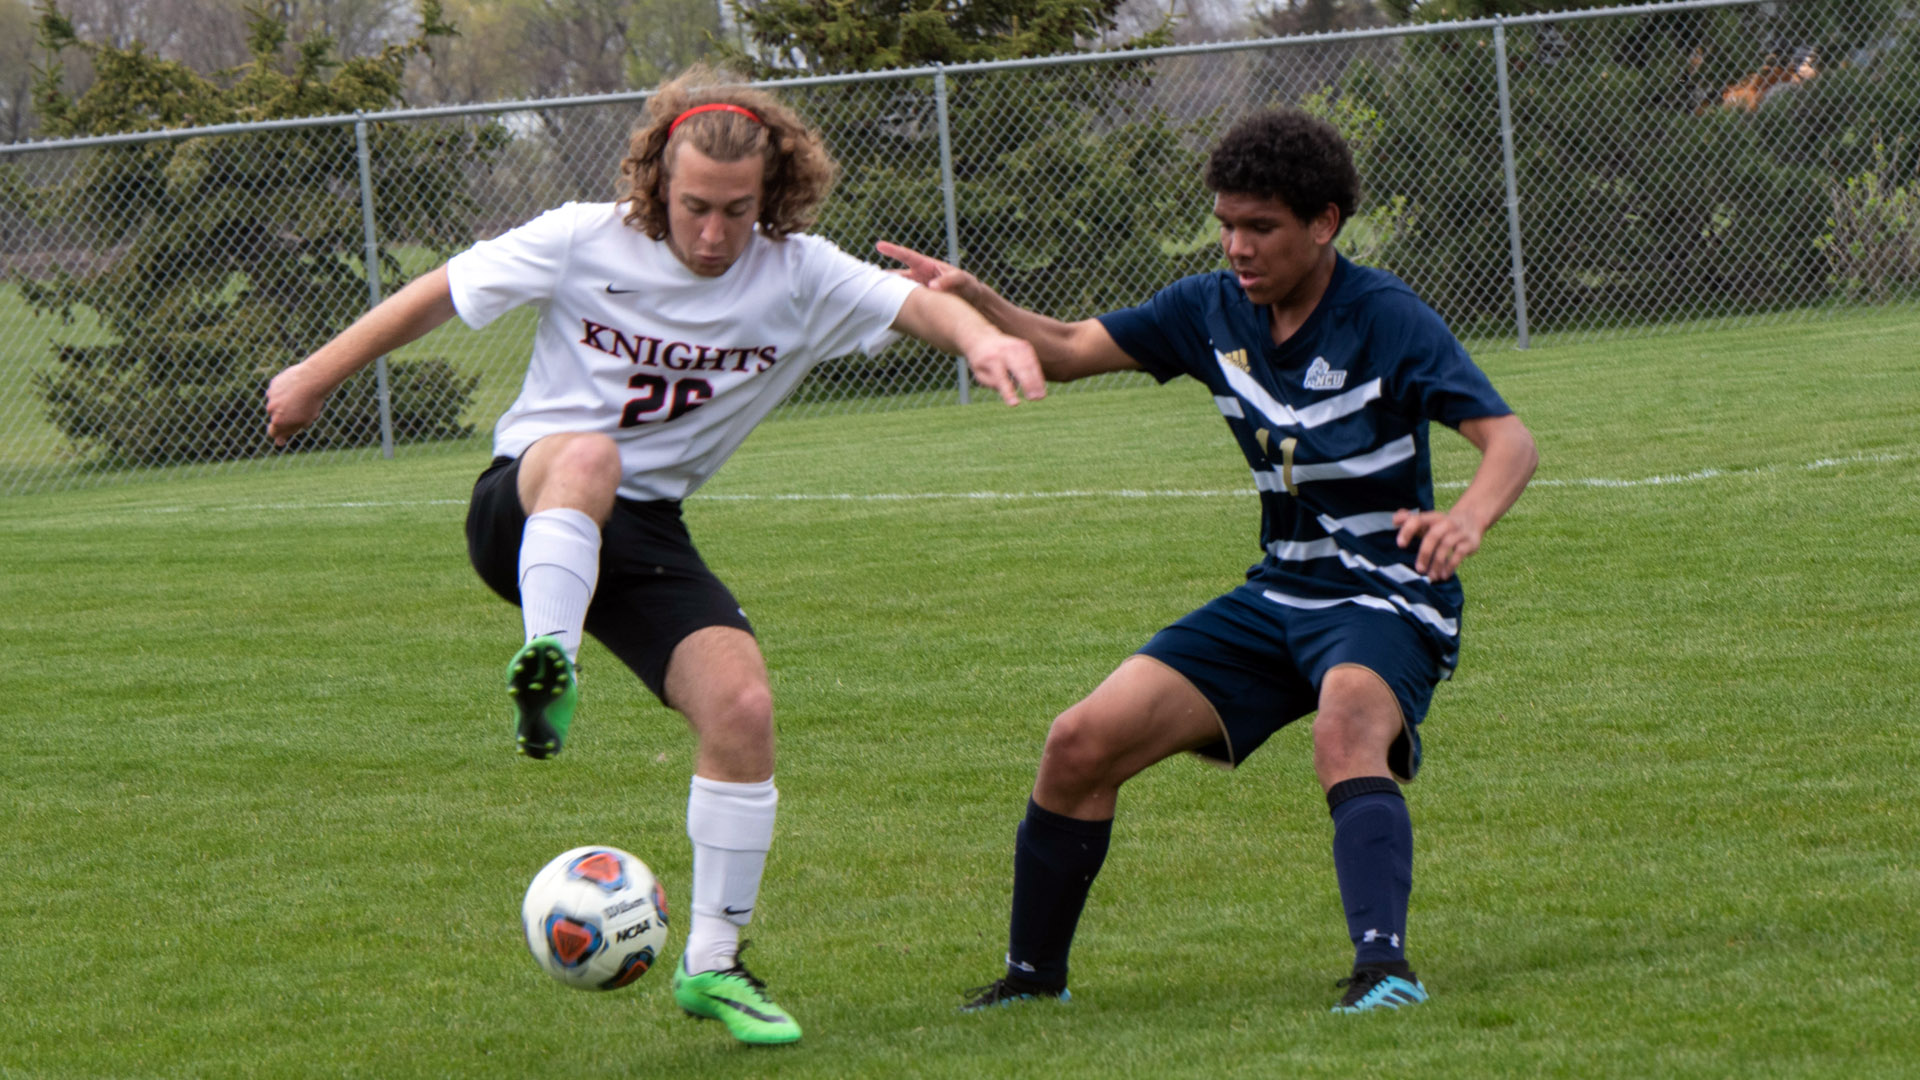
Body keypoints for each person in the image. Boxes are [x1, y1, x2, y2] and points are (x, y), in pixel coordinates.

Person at [266, 67, 1044, 1046]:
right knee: (590, 454)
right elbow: (441, 293)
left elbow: (917, 306)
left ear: (773, 196)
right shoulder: (584, 237)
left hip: (647, 532)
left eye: (736, 210)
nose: (713, 233)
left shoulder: (798, 273)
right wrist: (314, 375)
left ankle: (713, 965)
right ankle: (548, 663)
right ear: (654, 185)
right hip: (528, 500)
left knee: (743, 707)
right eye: (693, 208)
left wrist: (980, 340)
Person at [878, 107, 1537, 1014]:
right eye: (1227, 223)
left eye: (1260, 225)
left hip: (1388, 596)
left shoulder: (1387, 318)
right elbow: (1067, 351)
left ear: (1324, 223)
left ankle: (1384, 970)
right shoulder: (1207, 309)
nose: (1237, 245)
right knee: (1078, 742)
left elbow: (1510, 443)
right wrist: (976, 300)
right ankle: (1034, 983)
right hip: (1281, 593)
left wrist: (1464, 517)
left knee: (1344, 725)